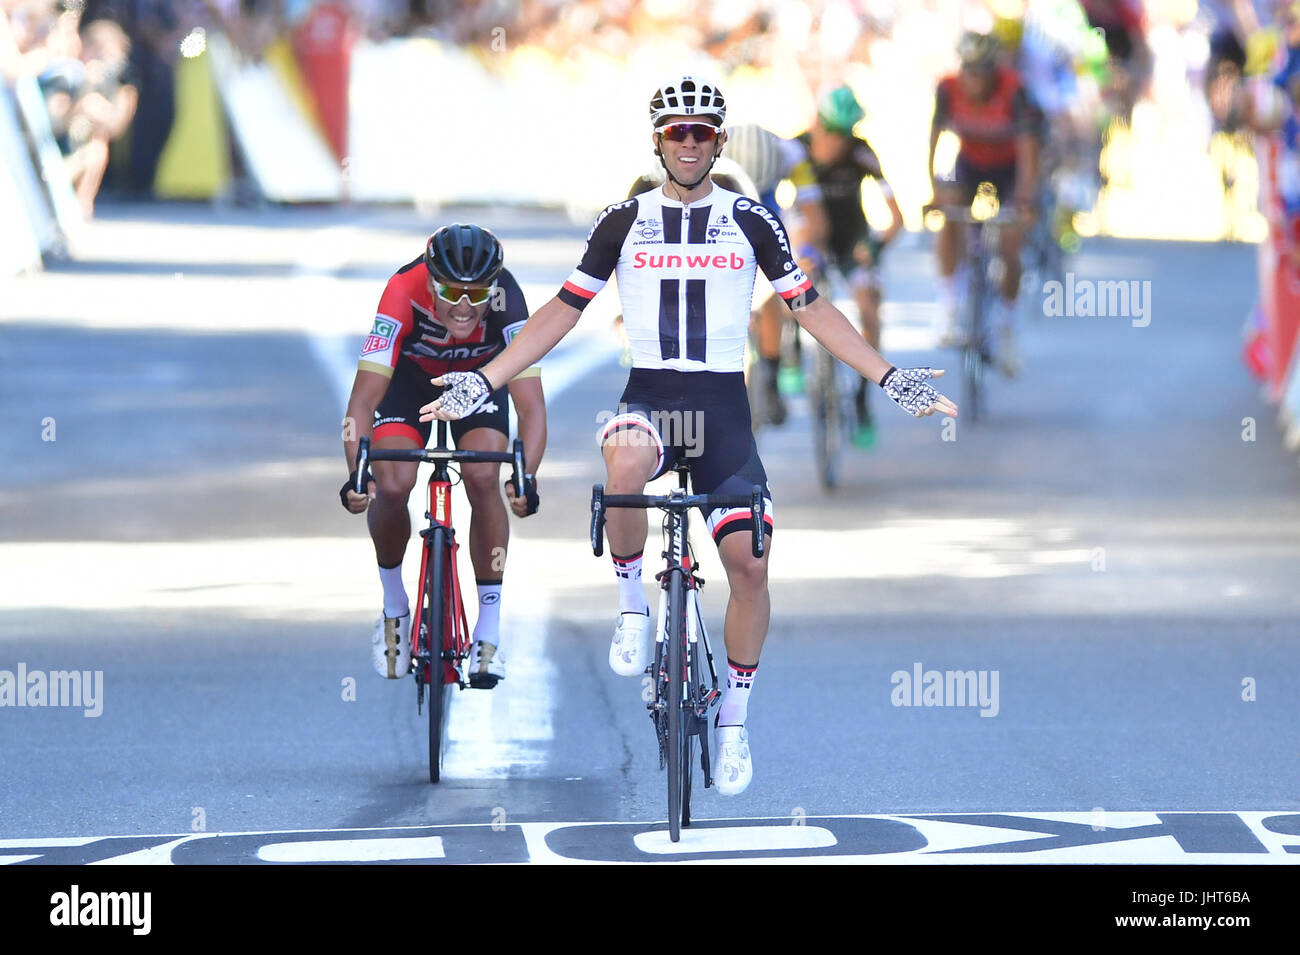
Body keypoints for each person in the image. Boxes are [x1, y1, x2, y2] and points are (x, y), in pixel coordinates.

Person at [420, 76, 957, 796]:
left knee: (751, 565)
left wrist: (894, 379)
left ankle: (733, 718)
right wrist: (482, 380)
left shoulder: (751, 219)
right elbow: (561, 311)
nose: (691, 143)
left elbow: (811, 308)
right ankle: (632, 607)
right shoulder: (623, 219)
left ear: (721, 142)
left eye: (704, 131)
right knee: (625, 455)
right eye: (678, 131)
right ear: (657, 140)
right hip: (654, 397)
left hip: (722, 410)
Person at [340, 223, 546, 688]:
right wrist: (357, 473)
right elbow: (362, 402)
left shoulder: (508, 299)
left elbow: (531, 406)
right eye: (451, 292)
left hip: (480, 382)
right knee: (391, 483)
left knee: (482, 473)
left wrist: (525, 476)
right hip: (409, 382)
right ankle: (395, 608)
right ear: (432, 281)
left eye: (477, 294)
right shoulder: (401, 289)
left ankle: (488, 633)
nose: (464, 306)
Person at [790, 85, 903, 447]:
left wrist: (875, 246)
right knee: (793, 274)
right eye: (833, 131)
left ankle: (862, 398)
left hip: (853, 239)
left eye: (846, 133)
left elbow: (896, 216)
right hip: (812, 236)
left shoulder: (862, 154)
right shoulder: (797, 151)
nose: (839, 141)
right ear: (818, 124)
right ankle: (789, 352)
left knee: (870, 304)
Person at [929, 31, 1038, 376]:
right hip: (970, 163)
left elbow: (1029, 150)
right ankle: (948, 304)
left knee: (1010, 244)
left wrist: (1024, 199)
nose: (974, 78)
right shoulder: (948, 89)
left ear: (994, 69)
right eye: (969, 70)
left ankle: (1008, 325)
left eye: (982, 70)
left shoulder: (1014, 90)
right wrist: (933, 190)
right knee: (949, 213)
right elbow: (932, 139)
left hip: (1009, 167)